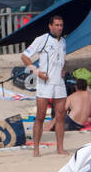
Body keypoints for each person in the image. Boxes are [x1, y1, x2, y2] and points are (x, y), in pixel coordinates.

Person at [23, 14, 68, 156]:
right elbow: (24, 56)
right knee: (40, 115)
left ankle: (60, 148)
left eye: (61, 25)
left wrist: (62, 69)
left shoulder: (63, 42)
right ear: (50, 26)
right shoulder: (41, 39)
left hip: (59, 83)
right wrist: (36, 72)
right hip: (44, 82)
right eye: (57, 25)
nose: (59, 28)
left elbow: (61, 59)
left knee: (60, 115)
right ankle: (36, 149)